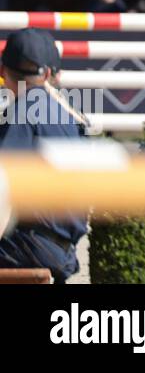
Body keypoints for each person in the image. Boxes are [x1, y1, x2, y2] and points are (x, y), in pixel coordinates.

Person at [0, 29, 89, 282]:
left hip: (28, 248)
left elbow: (3, 187)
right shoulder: (72, 116)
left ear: (3, 72)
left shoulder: (22, 111)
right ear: (49, 74)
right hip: (62, 253)